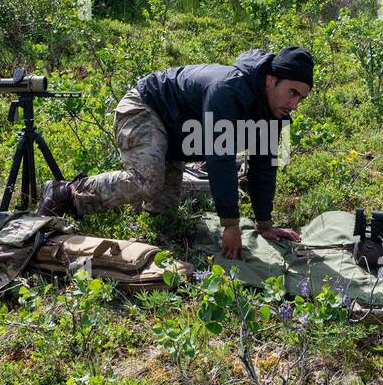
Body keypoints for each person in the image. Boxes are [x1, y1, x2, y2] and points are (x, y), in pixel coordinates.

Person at [40, 47, 313, 259]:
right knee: (147, 182)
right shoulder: (228, 91)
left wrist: (264, 224)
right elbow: (221, 159)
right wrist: (230, 224)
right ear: (270, 80)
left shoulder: (276, 115)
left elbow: (264, 167)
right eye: (292, 92)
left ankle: (135, 202)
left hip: (176, 137)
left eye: (301, 98)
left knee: (163, 218)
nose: (295, 104)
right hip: (147, 107)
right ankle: (67, 193)